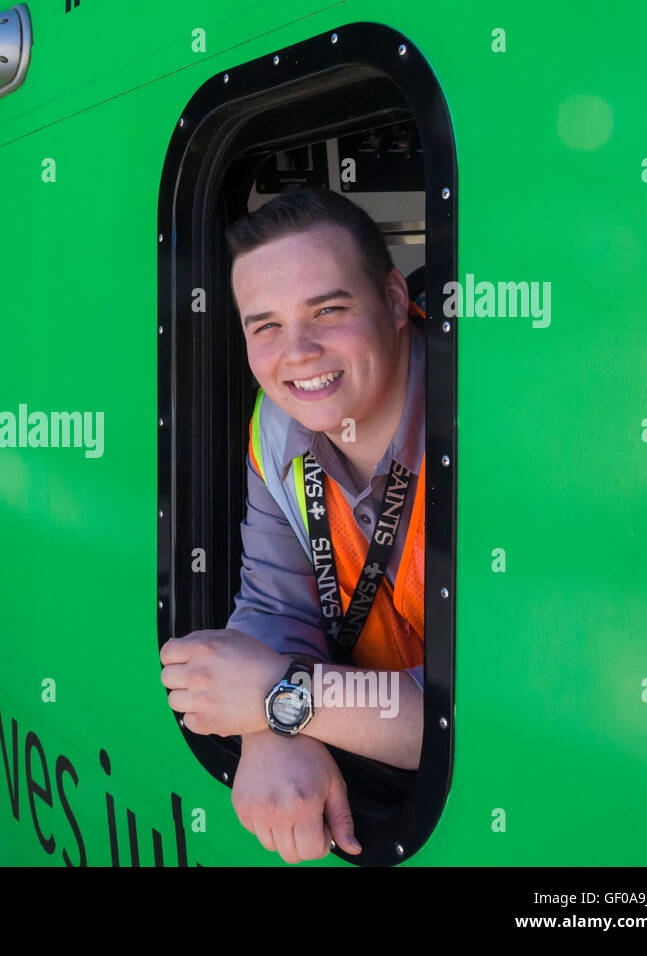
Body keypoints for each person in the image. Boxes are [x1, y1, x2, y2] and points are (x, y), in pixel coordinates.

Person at [160, 186, 426, 864]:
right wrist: (272, 730)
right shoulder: (279, 426)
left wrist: (283, 697)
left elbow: (499, 716)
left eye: (328, 310)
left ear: (395, 301)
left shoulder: (491, 421)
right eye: (265, 326)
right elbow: (275, 607)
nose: (298, 352)